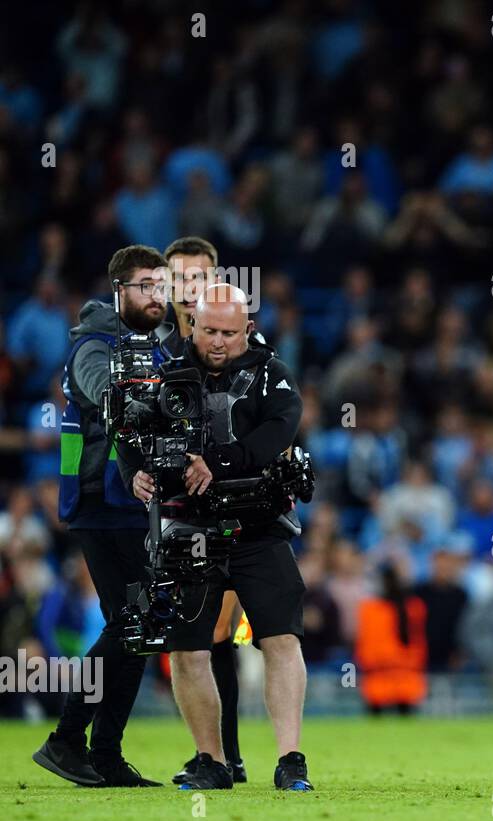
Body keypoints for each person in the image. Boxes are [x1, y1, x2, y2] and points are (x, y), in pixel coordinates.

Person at [126, 284, 312, 790]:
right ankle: (210, 760)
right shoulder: (163, 373)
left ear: (247, 329)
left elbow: (284, 426)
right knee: (186, 647)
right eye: (208, 330)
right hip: (188, 527)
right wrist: (133, 474)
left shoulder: (269, 370)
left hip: (257, 525)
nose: (217, 341)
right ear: (193, 324)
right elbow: (131, 430)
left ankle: (290, 758)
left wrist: (220, 462)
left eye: (229, 333)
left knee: (280, 636)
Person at [31, 245, 179, 788]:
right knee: (133, 623)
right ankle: (68, 739)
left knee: (144, 627)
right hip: (103, 502)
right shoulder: (94, 345)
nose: (155, 297)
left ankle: (105, 753)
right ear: (119, 289)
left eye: (161, 287)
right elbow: (100, 389)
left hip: (136, 505)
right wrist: (142, 396)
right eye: (145, 286)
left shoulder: (152, 349)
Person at [163, 235, 248, 784]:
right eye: (181, 279)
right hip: (168, 507)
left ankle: (226, 755)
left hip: (234, 509)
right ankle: (212, 754)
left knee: (219, 631)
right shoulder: (154, 349)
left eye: (200, 278)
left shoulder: (241, 344)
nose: (190, 289)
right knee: (181, 634)